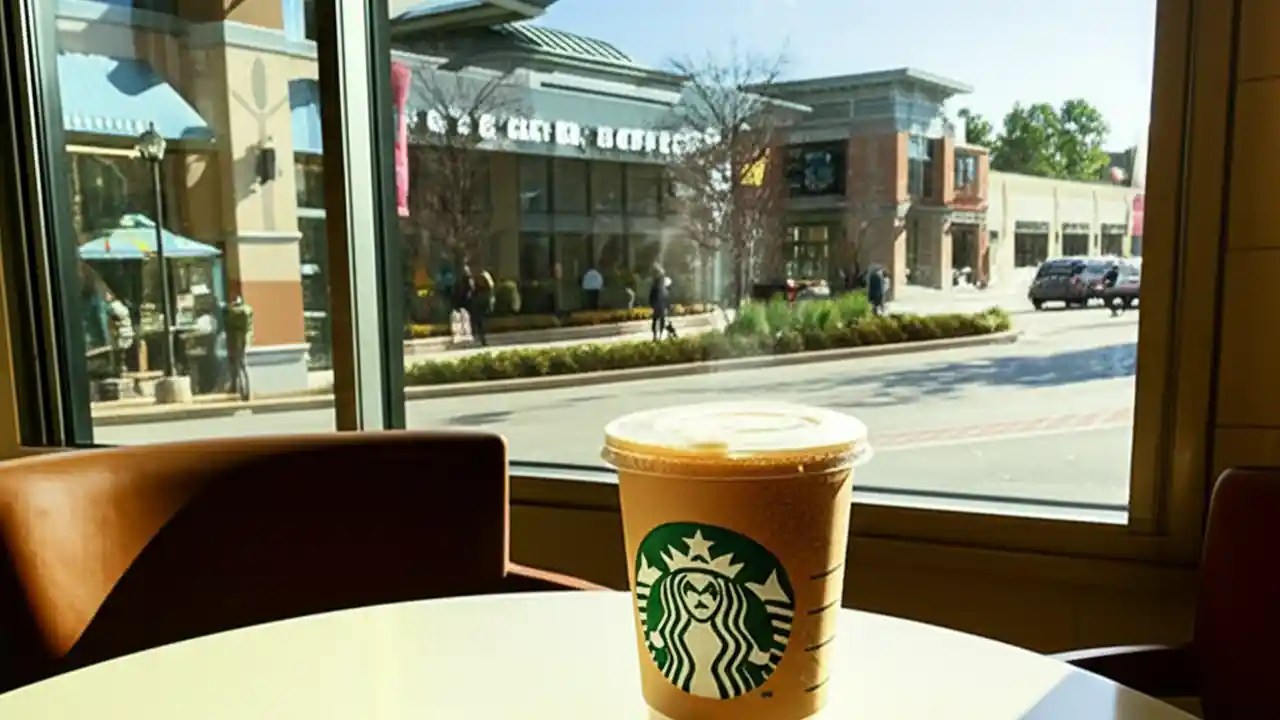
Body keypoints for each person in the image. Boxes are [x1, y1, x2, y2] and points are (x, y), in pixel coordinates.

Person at [470, 267, 495, 346]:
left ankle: (481, 338)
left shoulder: (478, 278)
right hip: (481, 302)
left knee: (479, 322)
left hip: (480, 302)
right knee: (480, 322)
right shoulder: (484, 278)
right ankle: (482, 338)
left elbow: (473, 291)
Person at [451, 265, 474, 343]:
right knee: (461, 318)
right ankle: (462, 334)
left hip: (463, 302)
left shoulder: (467, 281)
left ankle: (463, 334)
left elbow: (470, 291)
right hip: (462, 302)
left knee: (461, 318)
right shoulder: (464, 281)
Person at [649, 268, 670, 342]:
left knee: (659, 321)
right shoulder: (658, 285)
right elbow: (652, 296)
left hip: (659, 306)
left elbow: (665, 296)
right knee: (658, 321)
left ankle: (658, 336)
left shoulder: (659, 285)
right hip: (659, 306)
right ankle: (657, 336)